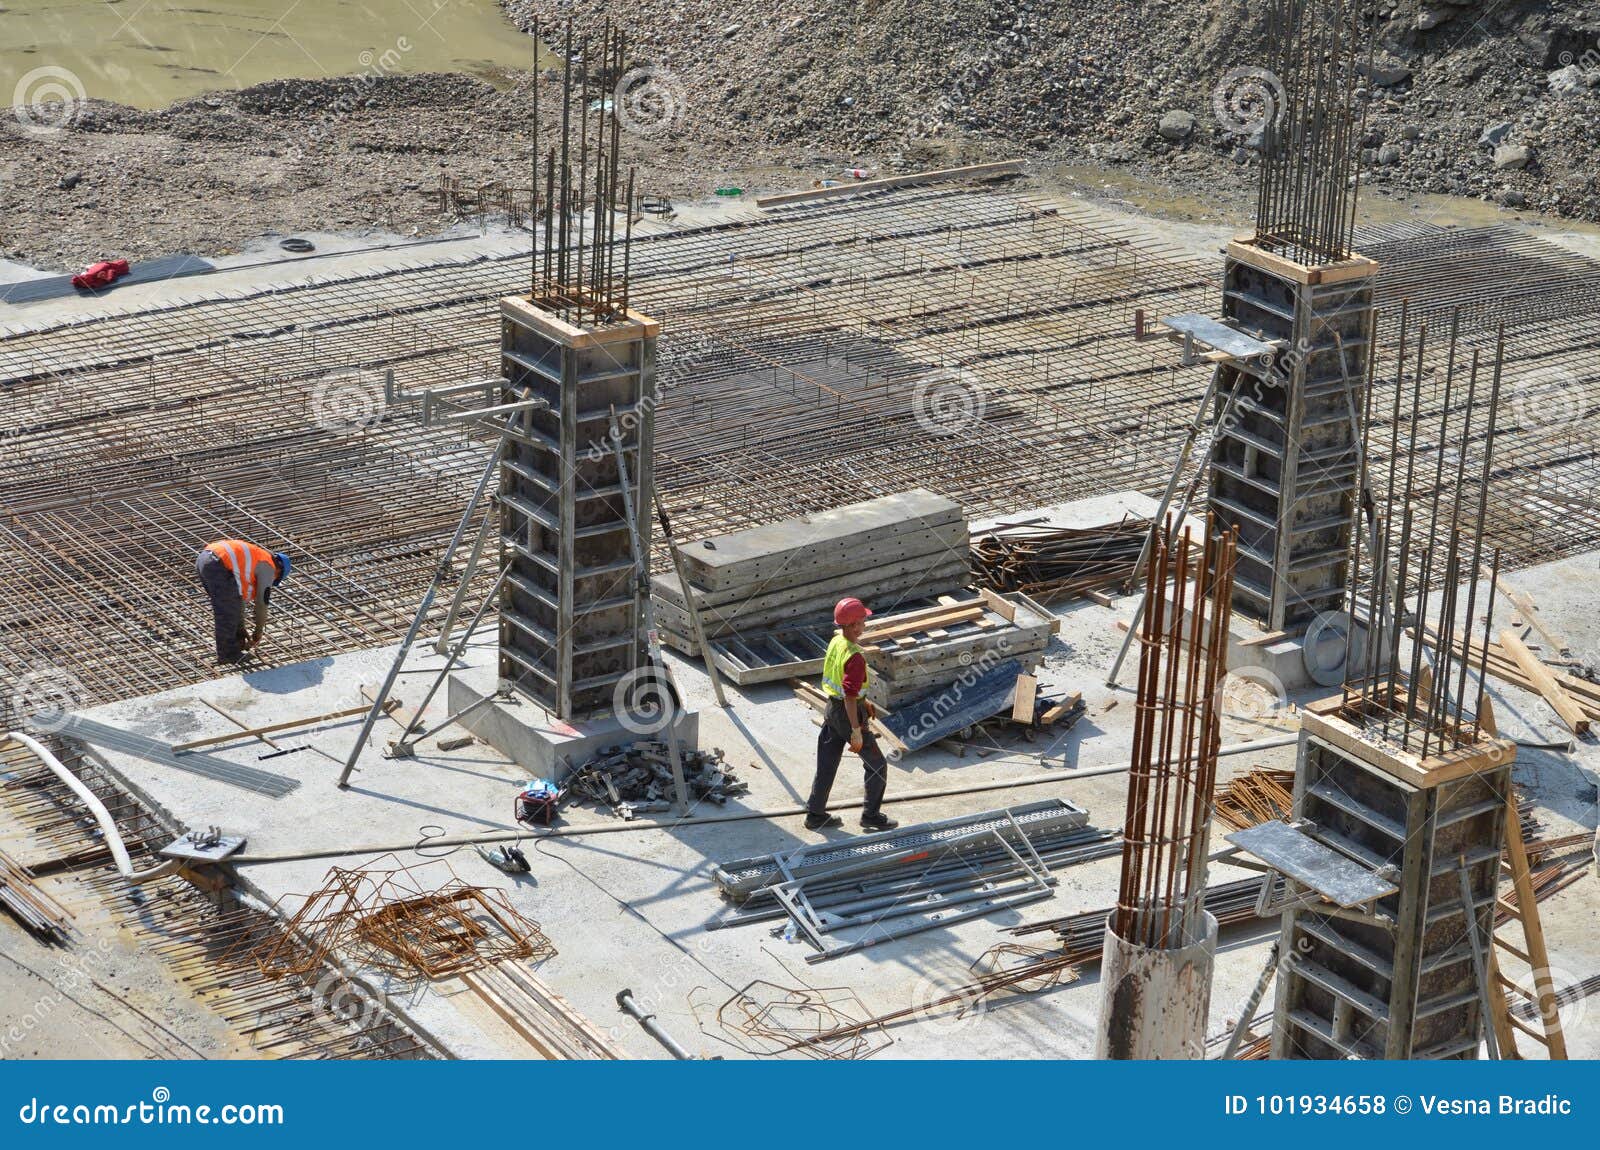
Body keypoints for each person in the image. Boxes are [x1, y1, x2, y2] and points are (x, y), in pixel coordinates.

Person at [806, 596, 897, 833]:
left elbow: (846, 688)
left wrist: (863, 702)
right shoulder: (855, 656)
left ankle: (815, 815)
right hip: (847, 713)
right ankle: (871, 816)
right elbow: (848, 695)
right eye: (863, 621)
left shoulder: (836, 641)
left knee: (827, 762)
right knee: (877, 764)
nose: (864, 625)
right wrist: (856, 730)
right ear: (854, 624)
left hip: (831, 710)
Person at [196, 540, 290, 664]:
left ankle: (234, 645)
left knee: (228, 607)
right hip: (218, 563)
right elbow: (262, 603)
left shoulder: (254, 559)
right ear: (278, 572)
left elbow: (236, 601)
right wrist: (258, 632)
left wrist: (240, 628)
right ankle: (228, 654)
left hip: (204, 559)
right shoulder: (268, 567)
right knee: (226, 613)